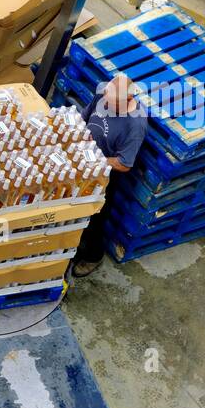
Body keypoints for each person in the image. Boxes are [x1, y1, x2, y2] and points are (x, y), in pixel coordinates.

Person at [71, 74, 148, 277]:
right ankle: (69, 243)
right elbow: (84, 116)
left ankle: (93, 256)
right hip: (82, 160)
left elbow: (124, 163)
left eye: (112, 103)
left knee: (95, 218)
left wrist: (95, 160)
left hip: (103, 175)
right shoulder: (103, 94)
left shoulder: (135, 124)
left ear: (128, 100)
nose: (106, 103)